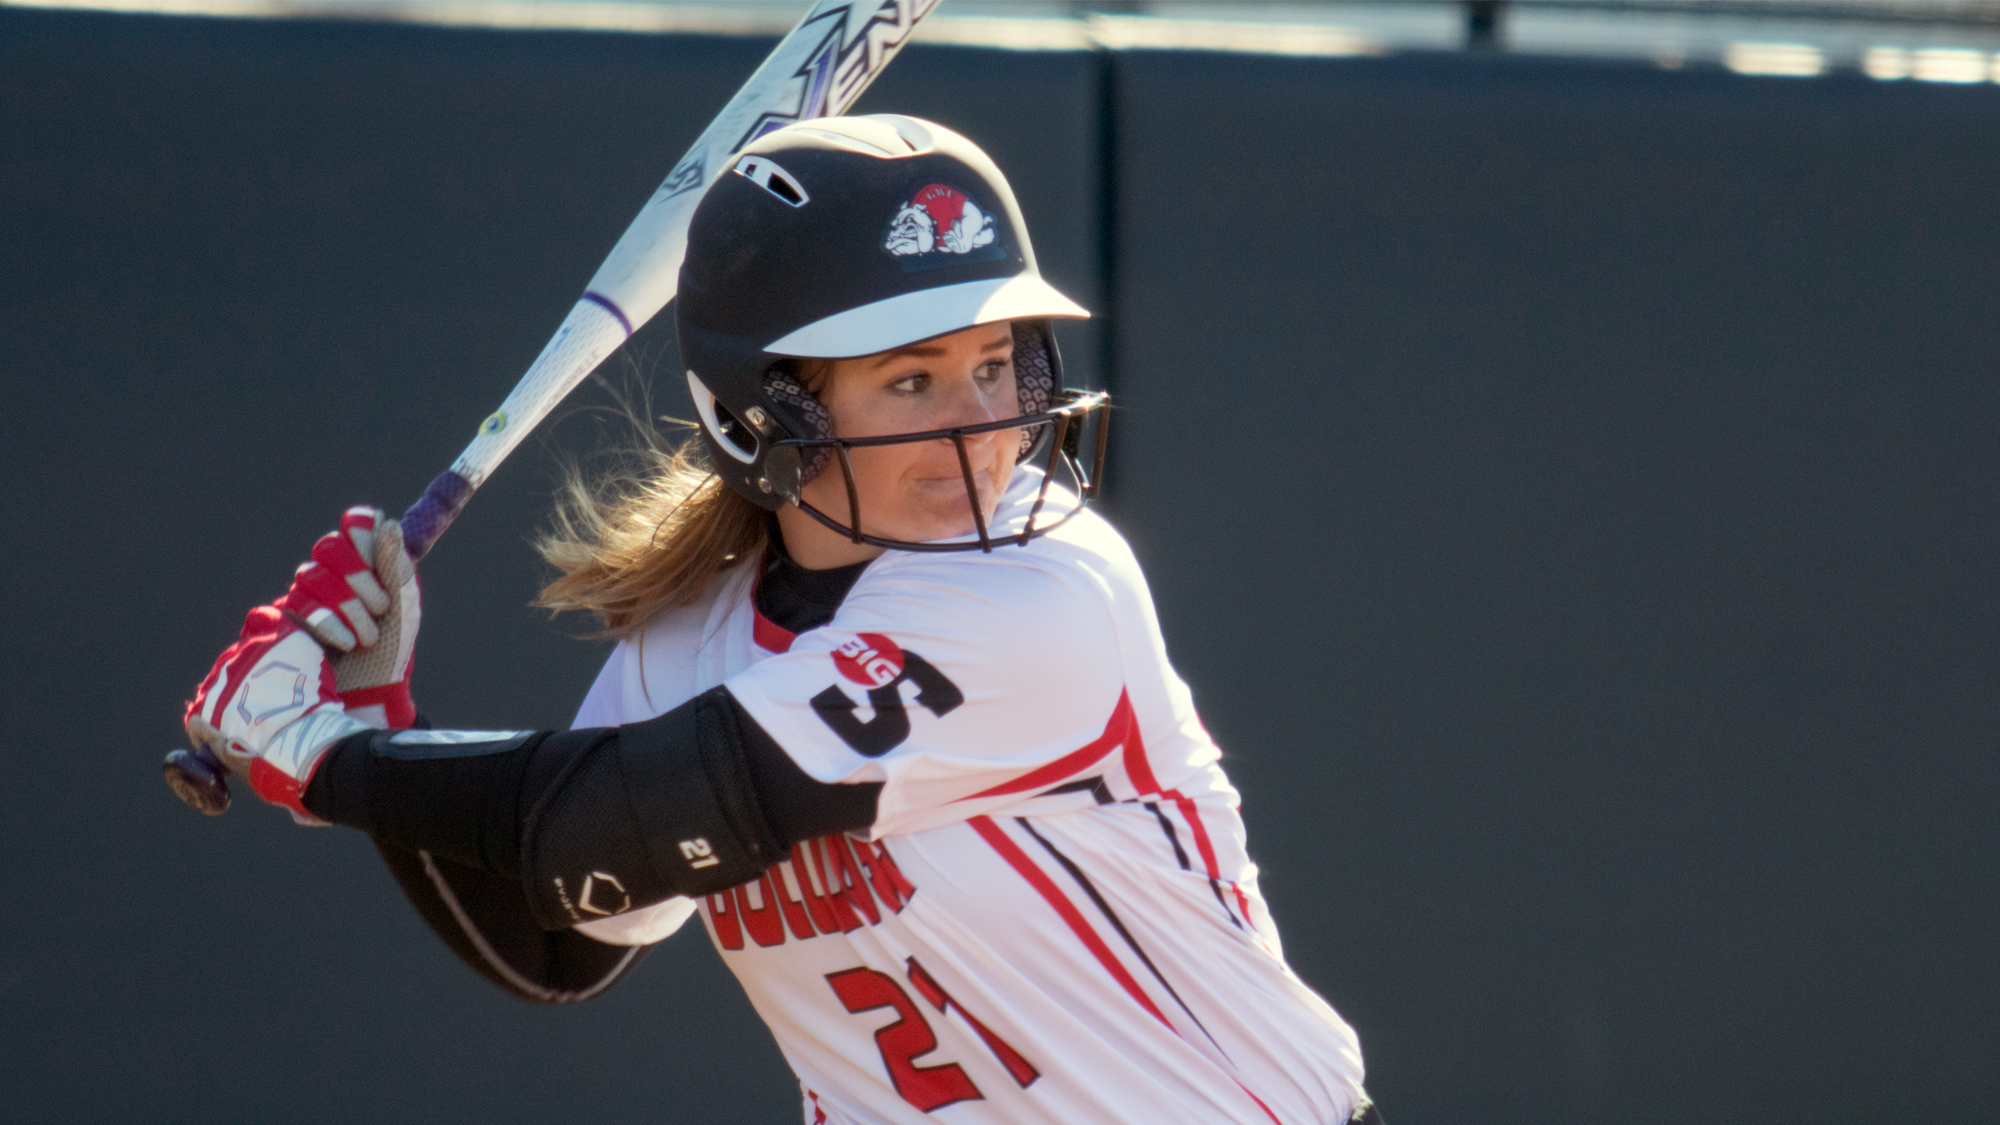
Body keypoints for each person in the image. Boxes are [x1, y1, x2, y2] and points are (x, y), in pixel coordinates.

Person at [185, 115, 1377, 1125]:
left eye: (994, 361)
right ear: (763, 416)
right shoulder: (690, 638)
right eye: (908, 380)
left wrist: (331, 760)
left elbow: (628, 816)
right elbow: (552, 936)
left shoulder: (1042, 588)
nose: (979, 425)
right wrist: (380, 722)